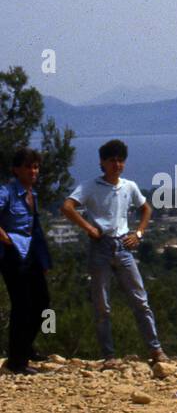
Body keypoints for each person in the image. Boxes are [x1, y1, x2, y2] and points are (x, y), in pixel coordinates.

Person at [61, 139, 166, 365]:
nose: (117, 165)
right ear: (103, 162)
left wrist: (138, 233)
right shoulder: (90, 186)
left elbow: (146, 208)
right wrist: (88, 227)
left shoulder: (129, 186)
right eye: (112, 160)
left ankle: (156, 351)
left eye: (120, 160)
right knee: (102, 304)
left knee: (140, 300)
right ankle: (108, 356)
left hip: (124, 246)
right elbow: (67, 206)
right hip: (100, 246)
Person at [0, 148, 52, 375]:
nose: (33, 171)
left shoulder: (33, 195)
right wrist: (6, 239)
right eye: (29, 166)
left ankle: (24, 348)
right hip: (13, 256)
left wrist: (44, 261)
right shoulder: (7, 192)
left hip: (31, 256)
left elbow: (35, 229)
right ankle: (16, 362)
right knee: (22, 306)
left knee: (42, 302)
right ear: (16, 169)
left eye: (36, 167)